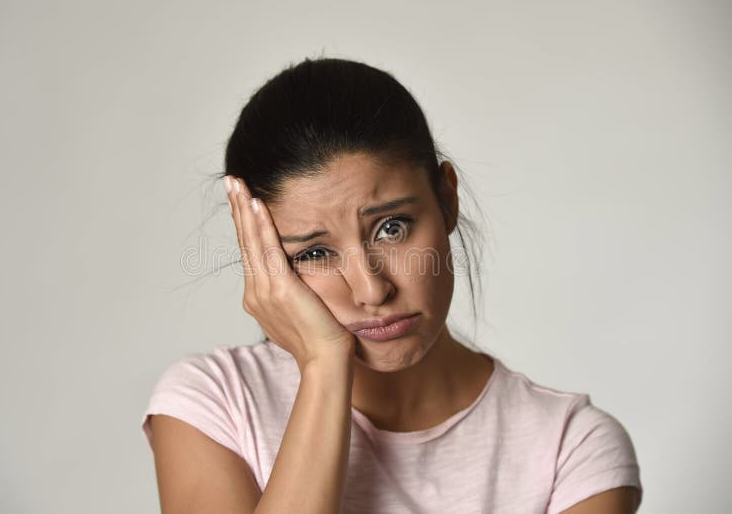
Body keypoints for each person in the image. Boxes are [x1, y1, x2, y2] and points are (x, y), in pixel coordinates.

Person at [140, 57, 643, 514]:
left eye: (392, 228)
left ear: (447, 200)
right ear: (265, 258)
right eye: (314, 253)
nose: (371, 290)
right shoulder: (214, 402)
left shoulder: (570, 450)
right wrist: (323, 366)